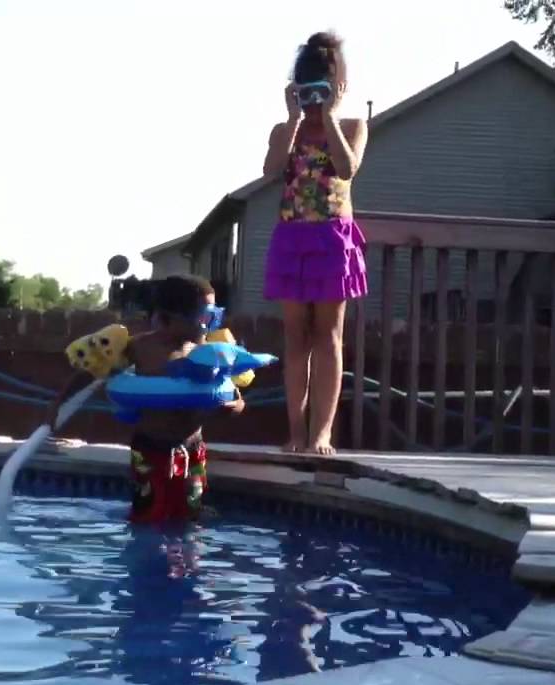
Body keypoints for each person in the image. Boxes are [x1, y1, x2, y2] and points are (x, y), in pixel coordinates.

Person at [46, 274, 245, 523]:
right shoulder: (141, 348)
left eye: (214, 315)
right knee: (148, 514)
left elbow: (235, 396)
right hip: (150, 450)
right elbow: (92, 372)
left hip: (192, 449)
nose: (210, 325)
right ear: (165, 319)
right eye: (204, 317)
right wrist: (58, 403)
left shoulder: (209, 354)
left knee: (190, 516)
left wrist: (232, 407)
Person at [261, 31, 369, 455]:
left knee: (328, 335)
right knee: (295, 336)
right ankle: (296, 433)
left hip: (332, 238)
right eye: (308, 91)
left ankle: (321, 433)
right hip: (292, 237)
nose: (314, 100)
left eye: (322, 90)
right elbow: (272, 171)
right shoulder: (285, 130)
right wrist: (293, 119)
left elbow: (346, 169)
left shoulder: (352, 126)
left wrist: (331, 117)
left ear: (338, 87)